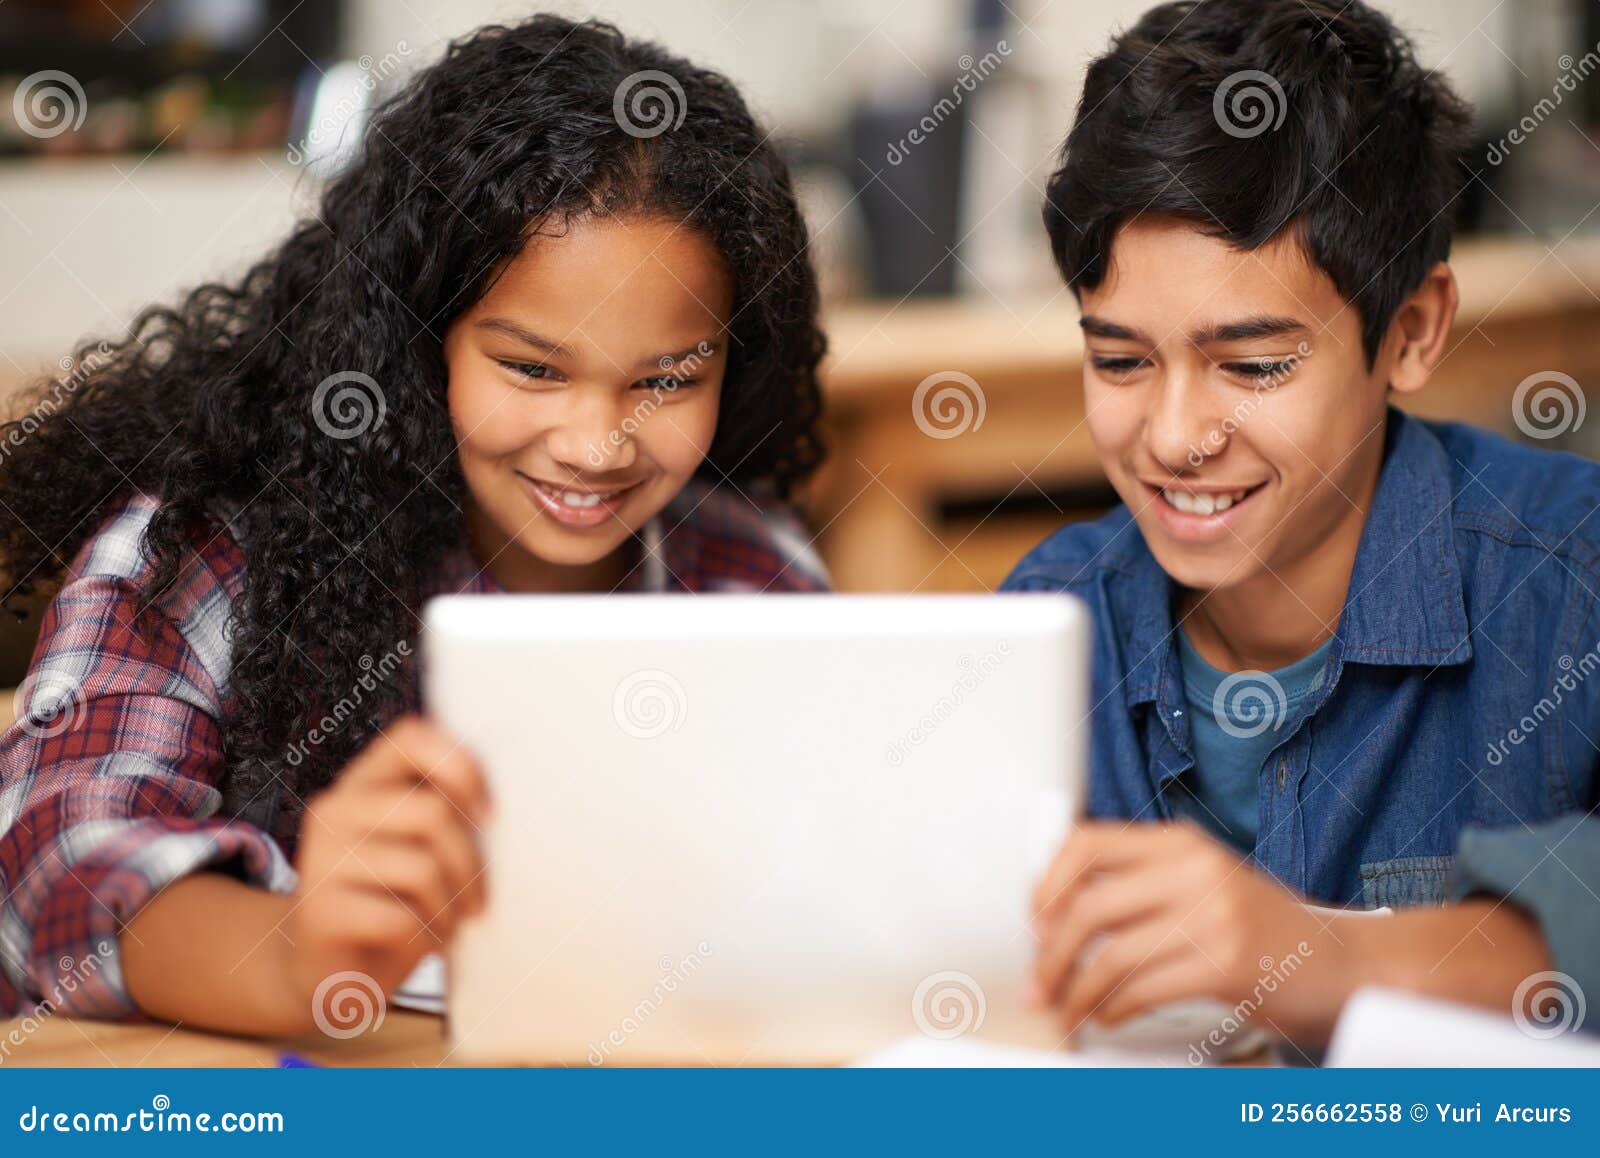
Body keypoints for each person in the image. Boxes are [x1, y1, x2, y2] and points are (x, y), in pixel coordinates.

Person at [0, 15, 828, 1034]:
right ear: (412, 342)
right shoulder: (207, 558)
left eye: (666, 380)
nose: (599, 442)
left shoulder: (751, 572)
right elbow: (55, 873)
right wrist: (298, 948)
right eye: (531, 368)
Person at [1010, 0, 1598, 1044]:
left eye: (1252, 366)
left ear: (1410, 333)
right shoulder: (1039, 633)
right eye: (1119, 360)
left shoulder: (1568, 590)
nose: (1177, 436)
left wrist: (1310, 955)